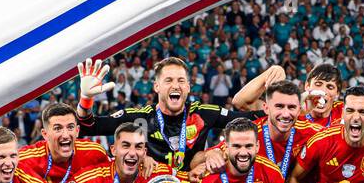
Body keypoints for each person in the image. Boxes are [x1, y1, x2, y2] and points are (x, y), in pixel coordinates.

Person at [73, 57, 276, 170]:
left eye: (180, 80)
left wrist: (274, 74)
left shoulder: (204, 113)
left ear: (188, 87)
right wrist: (86, 99)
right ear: (156, 86)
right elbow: (89, 126)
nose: (175, 85)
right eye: (168, 80)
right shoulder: (140, 118)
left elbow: (255, 118)